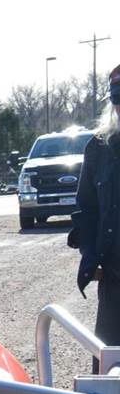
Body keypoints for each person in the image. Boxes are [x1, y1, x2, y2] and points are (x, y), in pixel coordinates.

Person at [75, 64, 120, 343]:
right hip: (115, 282)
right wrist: (89, 254)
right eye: (118, 98)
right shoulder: (98, 148)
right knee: (110, 373)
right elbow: (86, 210)